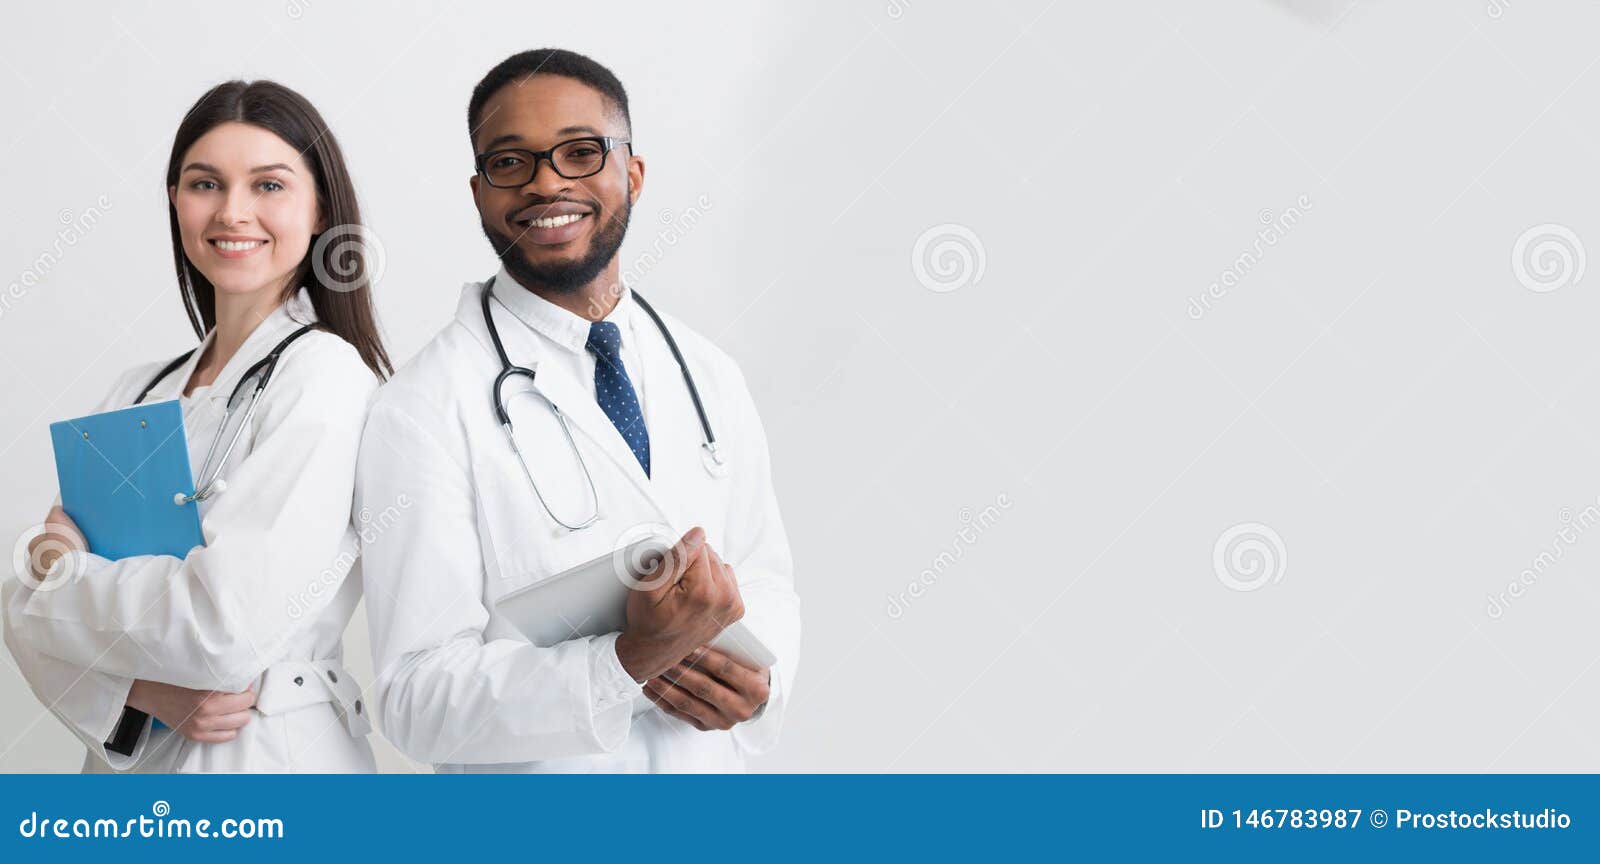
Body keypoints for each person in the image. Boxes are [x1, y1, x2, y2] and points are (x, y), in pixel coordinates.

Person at [356, 48, 801, 772]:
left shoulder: (710, 375)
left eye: (580, 152)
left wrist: (760, 683)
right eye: (510, 162)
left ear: (633, 172)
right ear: (478, 192)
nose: (546, 182)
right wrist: (626, 662)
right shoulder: (421, 406)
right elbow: (415, 698)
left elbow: (768, 579)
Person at [3, 80, 390, 772]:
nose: (233, 212)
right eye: (204, 183)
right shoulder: (139, 390)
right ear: (176, 200)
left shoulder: (325, 378)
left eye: (269, 186)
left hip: (268, 761)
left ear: (319, 206)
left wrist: (60, 574)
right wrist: (139, 689)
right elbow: (15, 612)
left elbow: (223, 629)